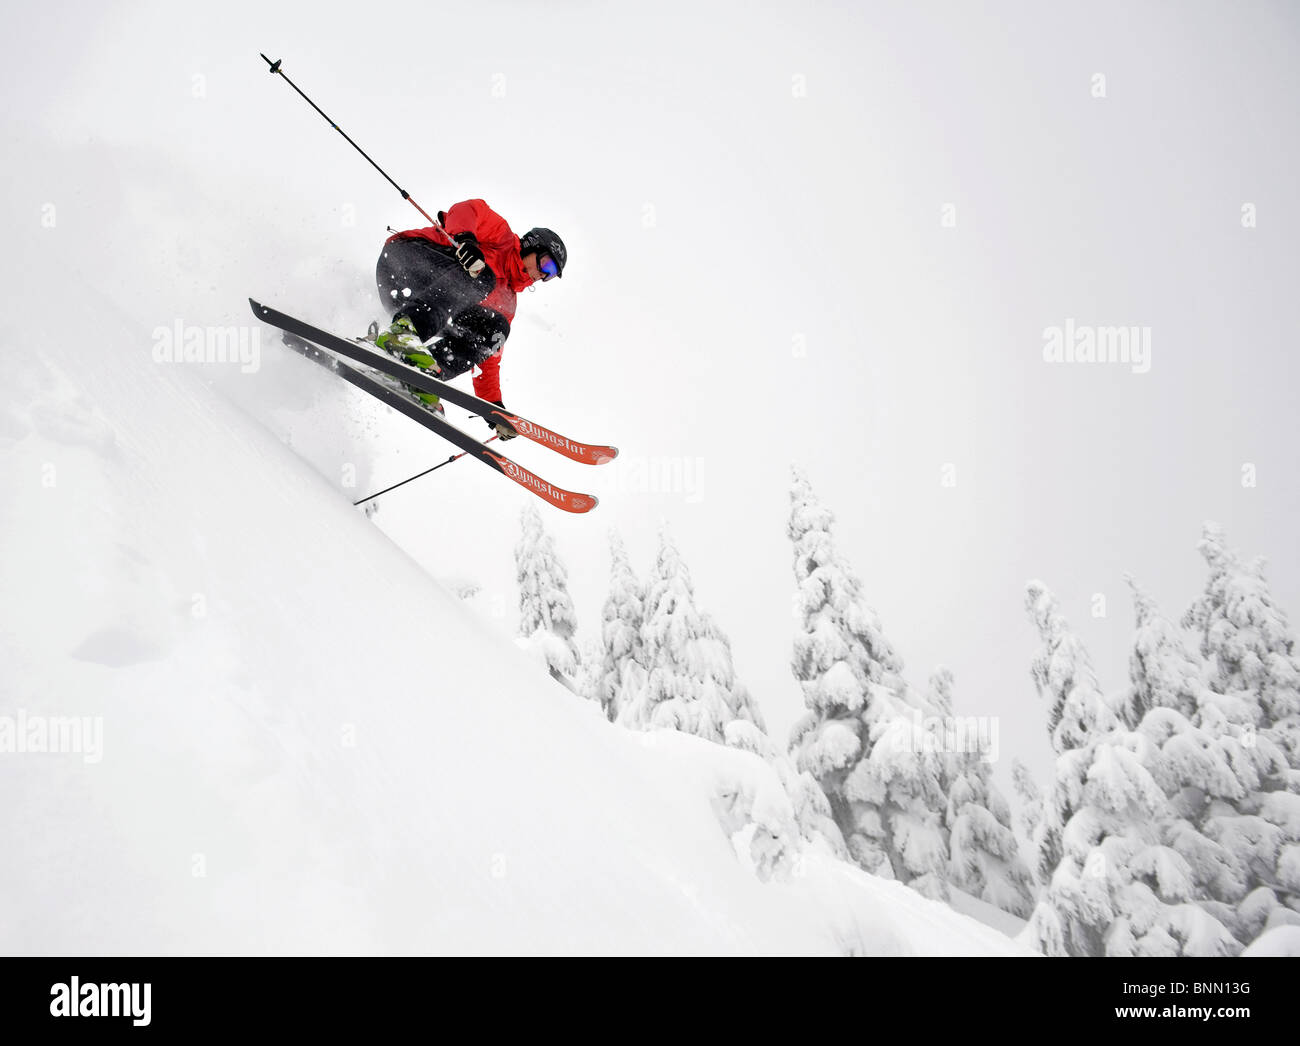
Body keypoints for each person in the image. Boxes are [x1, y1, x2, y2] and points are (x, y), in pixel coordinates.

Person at [372, 199, 566, 439]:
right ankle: (401, 335)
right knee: (482, 277)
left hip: (412, 302)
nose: (542, 275)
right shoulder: (502, 238)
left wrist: (493, 408)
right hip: (404, 261)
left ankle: (421, 374)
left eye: (550, 275)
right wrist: (466, 240)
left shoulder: (507, 302)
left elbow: (489, 357)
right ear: (531, 245)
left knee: (496, 330)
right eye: (545, 264)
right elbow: (469, 210)